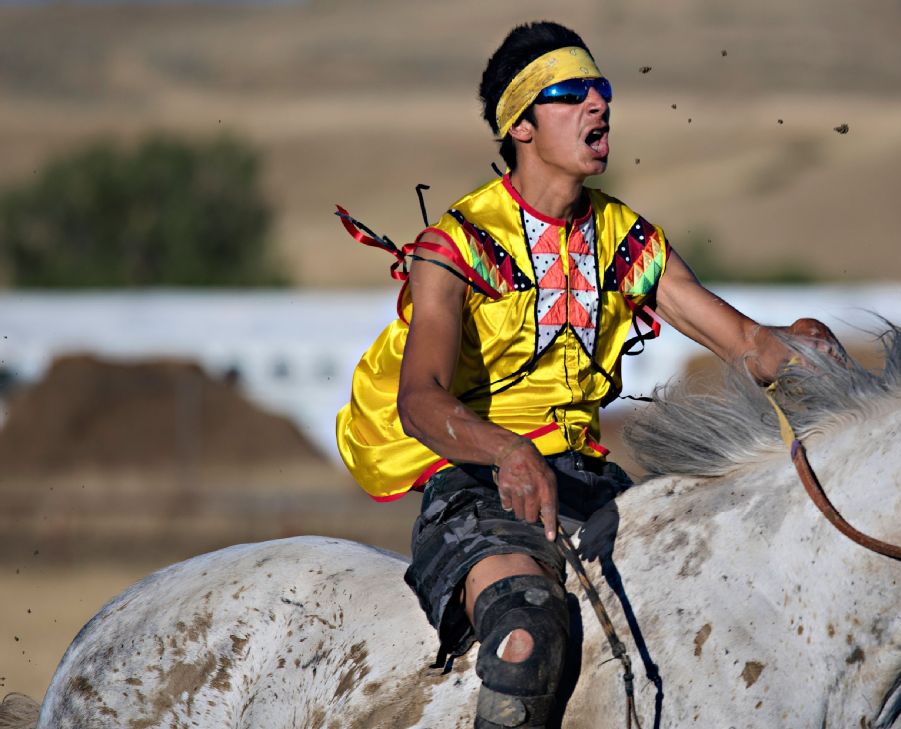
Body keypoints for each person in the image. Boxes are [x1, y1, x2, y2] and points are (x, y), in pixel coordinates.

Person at [336, 21, 840, 729]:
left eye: (601, 91)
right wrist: (509, 450)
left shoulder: (626, 238)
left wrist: (802, 352)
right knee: (527, 640)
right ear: (521, 125)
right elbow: (419, 401)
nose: (599, 106)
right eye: (571, 93)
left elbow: (744, 342)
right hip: (480, 489)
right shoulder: (456, 245)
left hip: (594, 486)